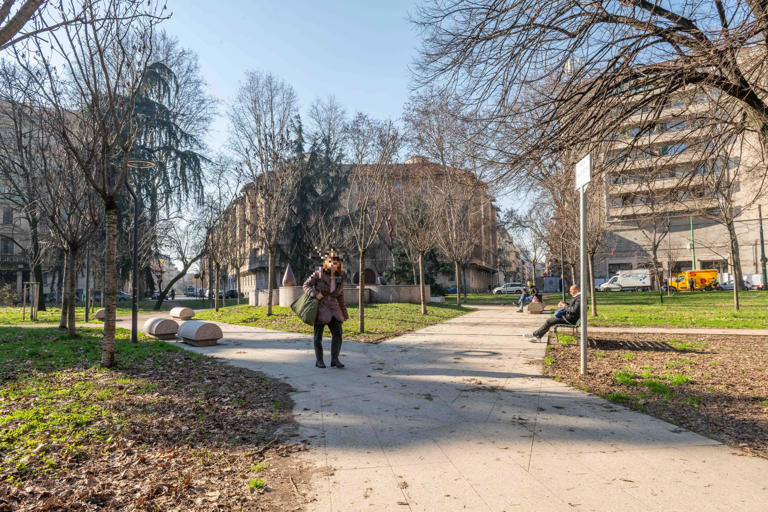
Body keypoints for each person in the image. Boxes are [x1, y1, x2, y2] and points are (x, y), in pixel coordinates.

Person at [303, 251, 349, 368]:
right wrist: (314, 293)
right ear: (326, 263)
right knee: (318, 336)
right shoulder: (319, 274)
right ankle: (319, 360)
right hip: (320, 307)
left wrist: (344, 313)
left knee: (338, 333)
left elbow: (340, 296)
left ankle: (335, 359)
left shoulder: (341, 277)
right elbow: (306, 286)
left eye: (335, 263)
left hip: (334, 308)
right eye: (331, 263)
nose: (333, 265)